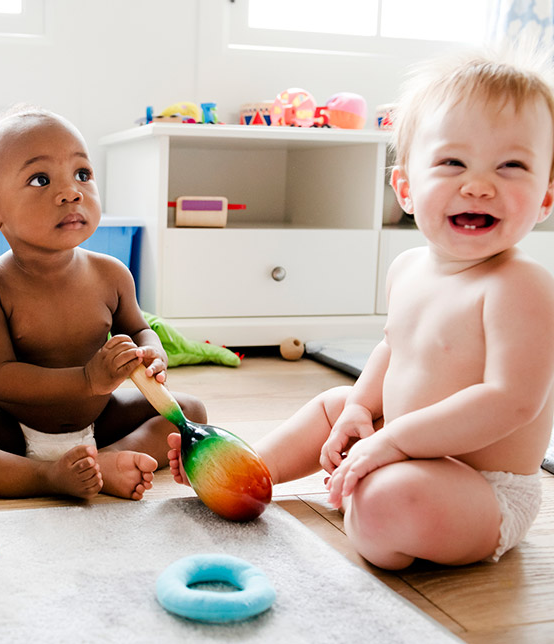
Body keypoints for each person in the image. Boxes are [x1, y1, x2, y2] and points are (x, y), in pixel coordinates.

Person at [171, 47, 554, 569]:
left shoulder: (523, 286)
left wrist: (393, 441)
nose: (479, 184)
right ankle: (245, 473)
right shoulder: (408, 268)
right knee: (333, 403)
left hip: (482, 489)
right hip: (404, 447)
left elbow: (511, 401)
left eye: (512, 165)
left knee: (387, 499)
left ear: (546, 196)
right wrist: (360, 408)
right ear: (406, 188)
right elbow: (394, 348)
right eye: (451, 162)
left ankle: (371, 504)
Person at [0, 105, 207, 501]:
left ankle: (106, 461)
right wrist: (87, 380)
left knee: (190, 412)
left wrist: (151, 352)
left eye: (82, 174)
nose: (72, 191)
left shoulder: (111, 273)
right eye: (40, 179)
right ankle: (45, 476)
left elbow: (138, 327)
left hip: (99, 417)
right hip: (13, 426)